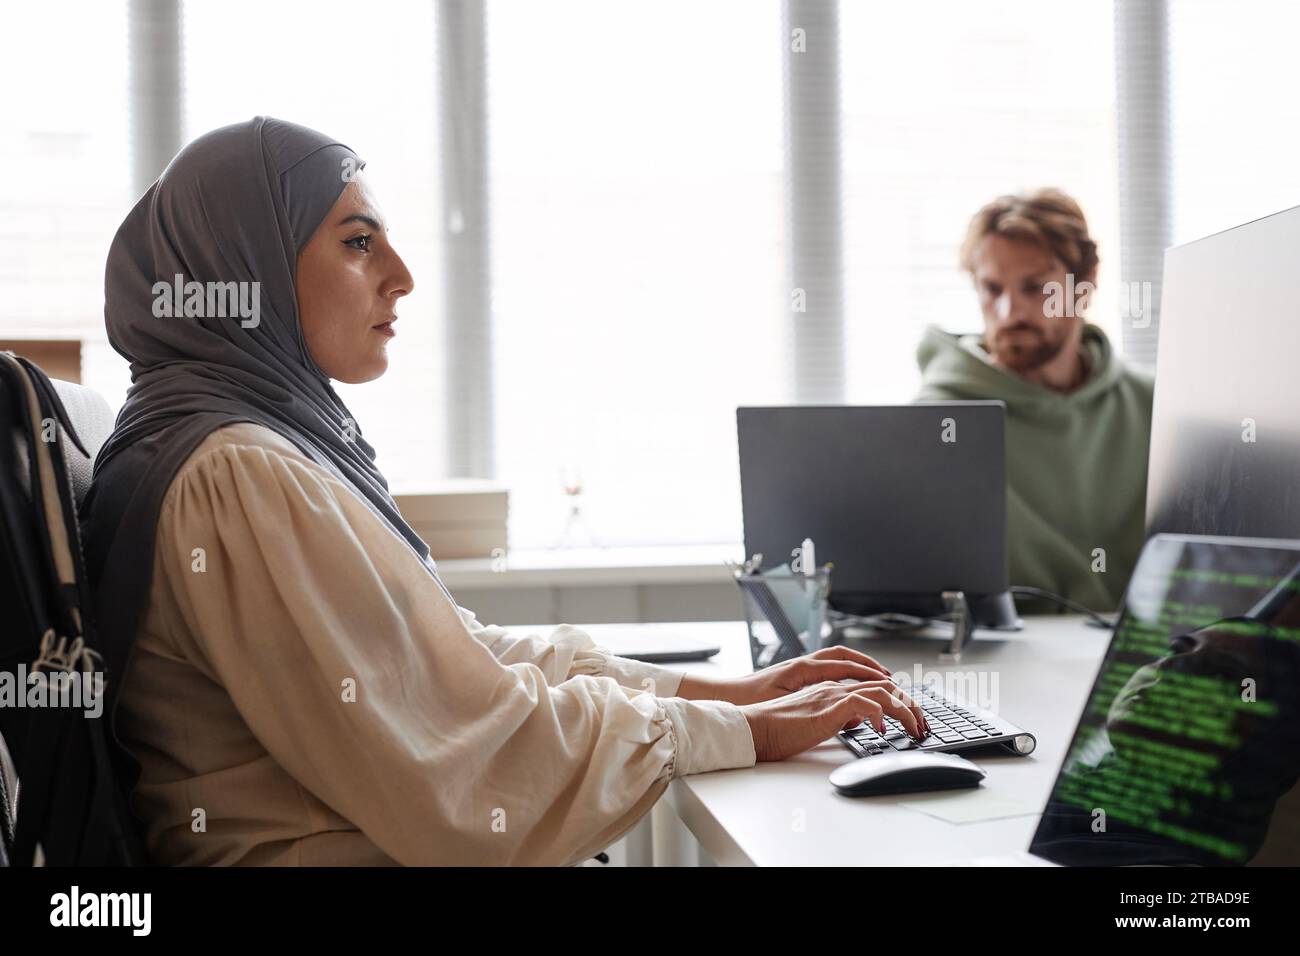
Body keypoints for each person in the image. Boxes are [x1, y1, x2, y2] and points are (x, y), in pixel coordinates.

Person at [81, 117, 929, 866]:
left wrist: (727, 695)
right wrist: (747, 732)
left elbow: (452, 660)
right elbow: (457, 760)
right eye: (357, 241)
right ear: (249, 266)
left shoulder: (232, 441)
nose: (401, 274)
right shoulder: (240, 473)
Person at [916, 188, 1154, 612]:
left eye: (1035, 288)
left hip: (1137, 656)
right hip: (1002, 657)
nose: (1010, 312)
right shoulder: (935, 421)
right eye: (992, 289)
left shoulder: (1155, 406)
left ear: (1086, 285)